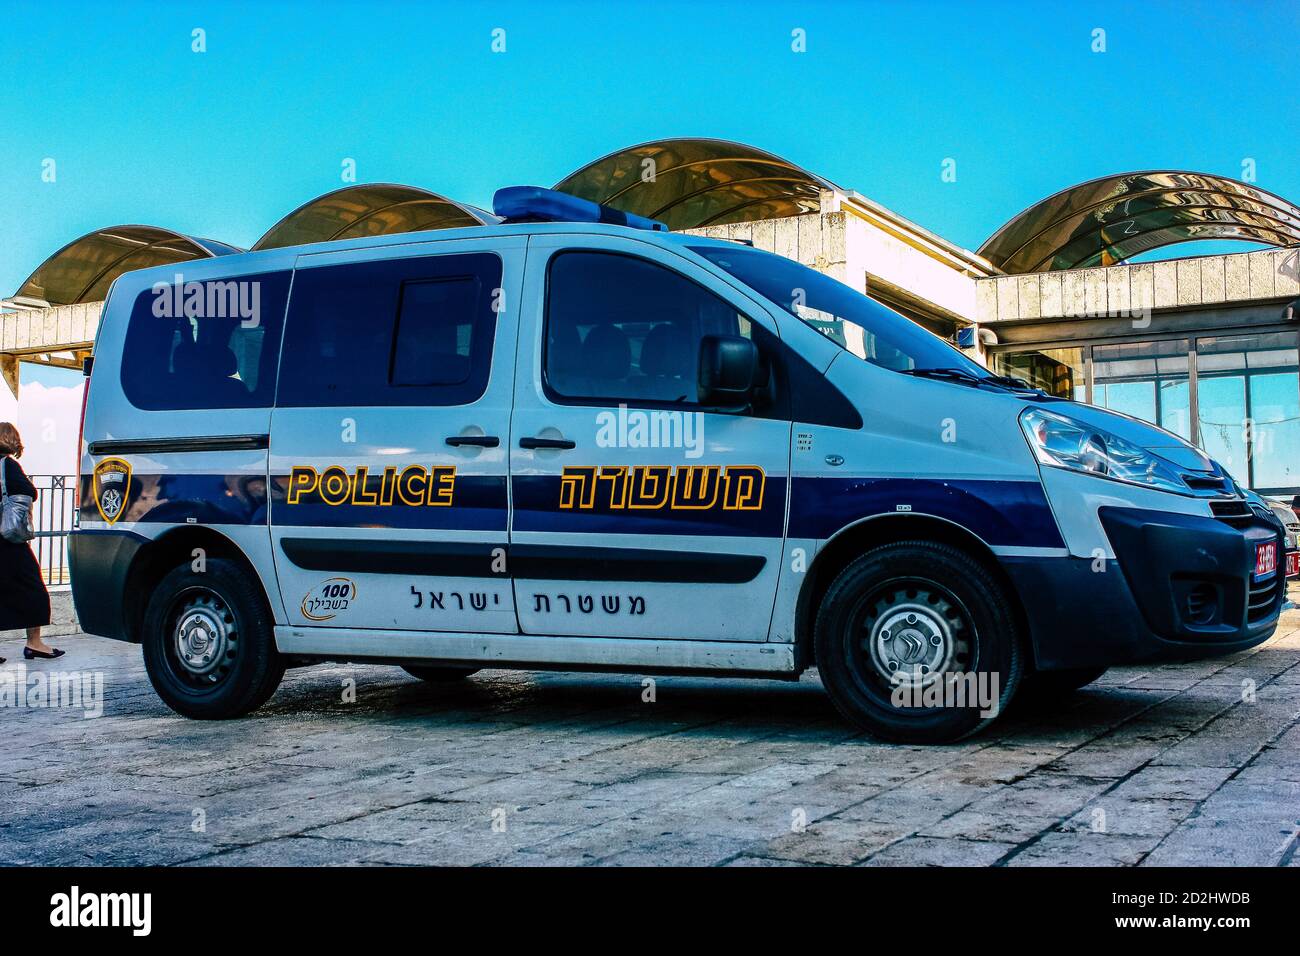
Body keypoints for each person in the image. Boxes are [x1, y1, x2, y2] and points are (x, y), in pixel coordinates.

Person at [0, 422, 61, 662]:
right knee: (32, 586)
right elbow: (29, 491)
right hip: (7, 540)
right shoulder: (8, 465)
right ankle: (34, 642)